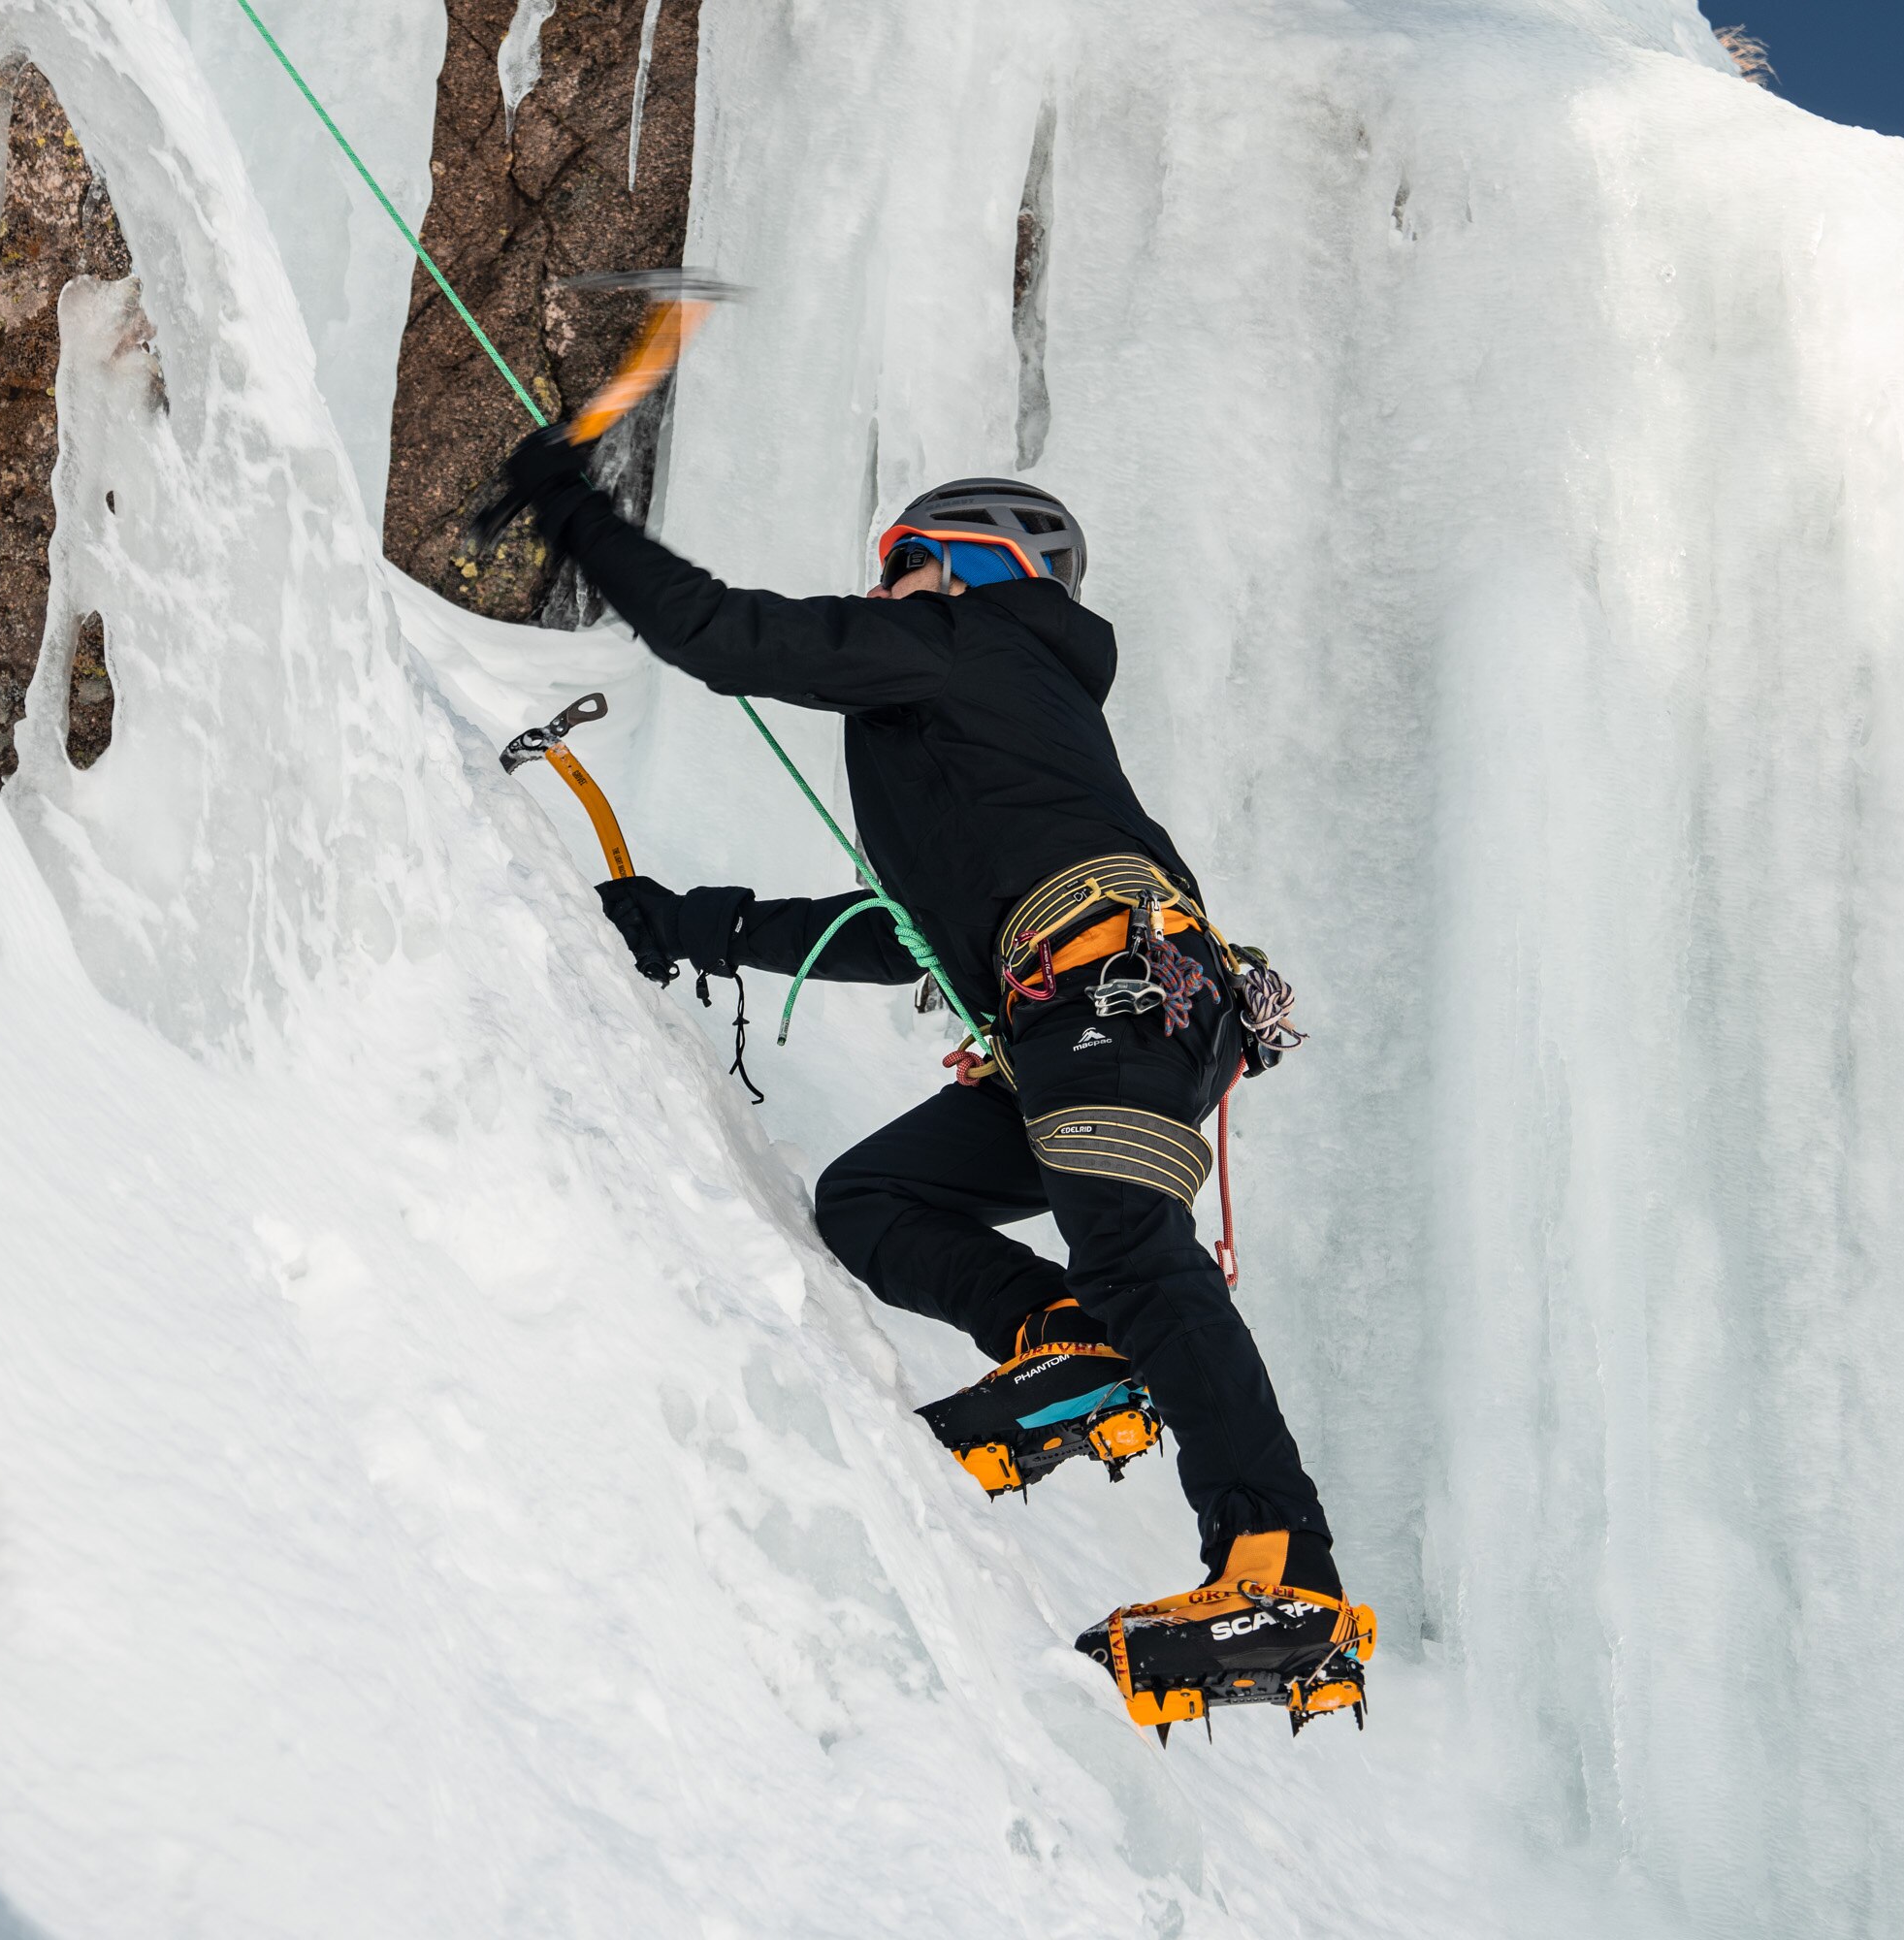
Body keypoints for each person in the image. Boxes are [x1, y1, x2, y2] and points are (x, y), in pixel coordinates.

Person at [478, 431, 1365, 1725]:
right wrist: (685, 925)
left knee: (1127, 1240)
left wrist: (575, 513)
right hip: (1100, 1007)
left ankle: (1282, 1574)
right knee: (875, 1201)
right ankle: (1068, 1346)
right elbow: (892, 928)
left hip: (1115, 994)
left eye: (901, 566)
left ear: (970, 565)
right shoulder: (990, 741)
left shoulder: (975, 643)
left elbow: (725, 636)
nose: (883, 590)